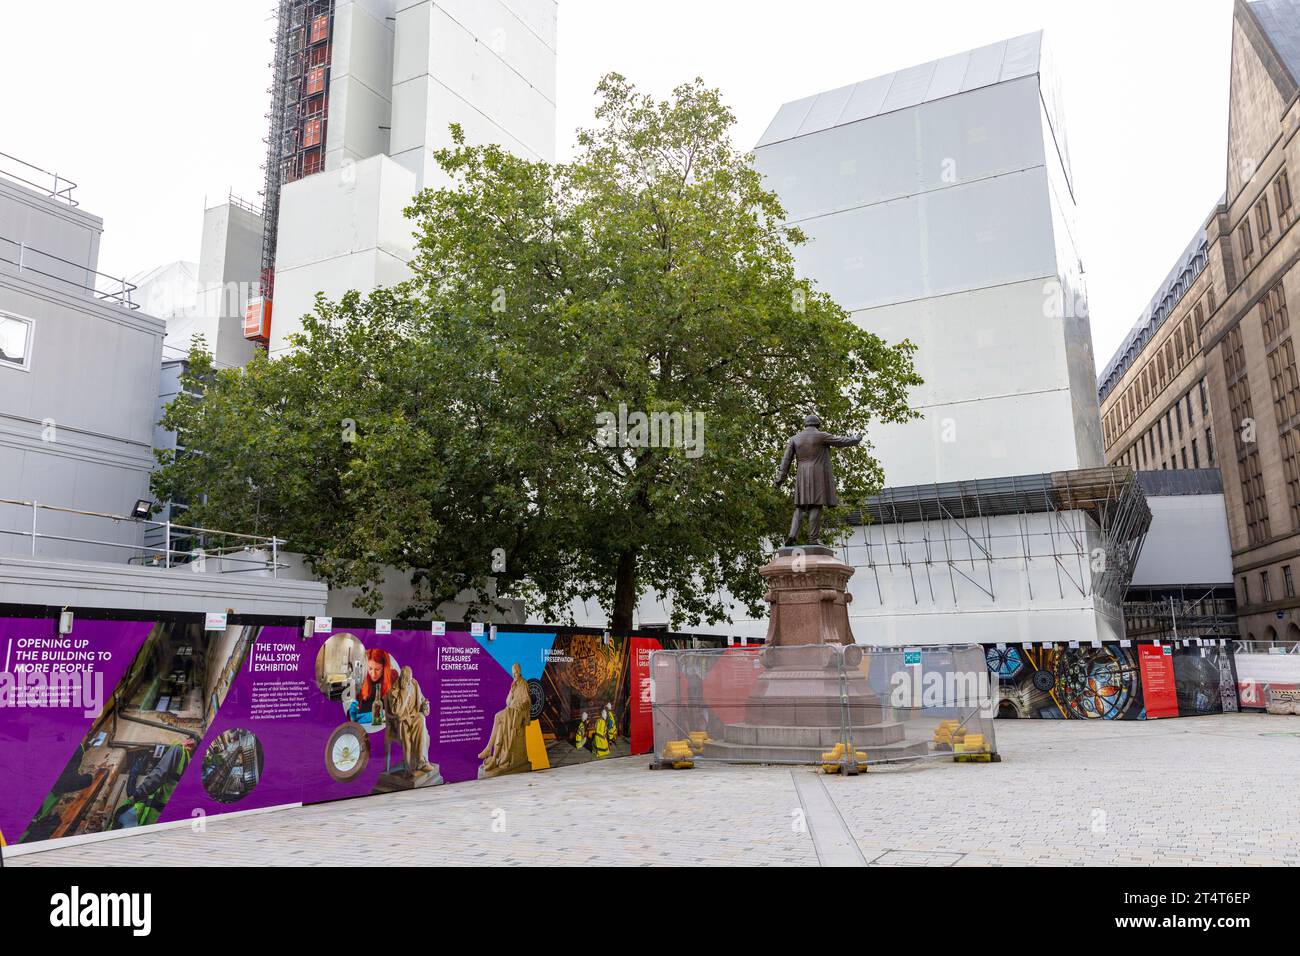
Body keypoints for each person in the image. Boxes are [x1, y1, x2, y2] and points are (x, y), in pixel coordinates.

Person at [115, 738, 197, 828]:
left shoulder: (178, 749)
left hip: (154, 808)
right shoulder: (189, 764)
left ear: (190, 742)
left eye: (184, 739)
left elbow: (159, 775)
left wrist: (136, 795)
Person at [477, 662, 531, 773]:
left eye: (516, 672)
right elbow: (507, 701)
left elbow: (527, 701)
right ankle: (493, 757)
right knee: (501, 729)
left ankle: (488, 749)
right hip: (510, 711)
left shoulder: (523, 684)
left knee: (497, 716)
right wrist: (511, 693)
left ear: (519, 672)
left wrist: (519, 705)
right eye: (513, 673)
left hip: (516, 712)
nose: (515, 675)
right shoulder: (514, 684)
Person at [350, 648, 395, 725]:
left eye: (377, 669)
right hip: (362, 723)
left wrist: (384, 714)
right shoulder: (361, 678)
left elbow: (396, 711)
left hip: (381, 724)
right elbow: (354, 711)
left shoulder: (393, 677)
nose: (373, 674)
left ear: (384, 668)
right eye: (370, 668)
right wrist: (352, 715)